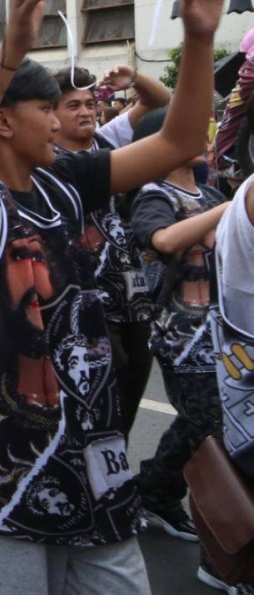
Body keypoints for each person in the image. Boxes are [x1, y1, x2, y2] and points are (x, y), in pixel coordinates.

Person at [0, 0, 237, 594]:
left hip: (93, 463)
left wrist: (199, 39)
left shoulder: (63, 182)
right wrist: (9, 50)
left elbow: (181, 141)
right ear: (3, 121)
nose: (67, 122)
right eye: (47, 108)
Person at [128, 108, 228, 573]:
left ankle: (153, 489)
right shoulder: (153, 195)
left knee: (200, 427)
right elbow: (163, 240)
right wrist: (226, 211)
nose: (204, 137)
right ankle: (222, 555)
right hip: (183, 340)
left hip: (227, 338)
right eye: (192, 130)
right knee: (213, 432)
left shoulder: (209, 192)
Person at [51, 64, 171, 436]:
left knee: (134, 383)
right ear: (50, 116)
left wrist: (133, 78)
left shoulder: (107, 141)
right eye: (72, 105)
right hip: (86, 298)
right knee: (102, 395)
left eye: (90, 103)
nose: (85, 111)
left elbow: (162, 104)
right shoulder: (44, 160)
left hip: (133, 292)